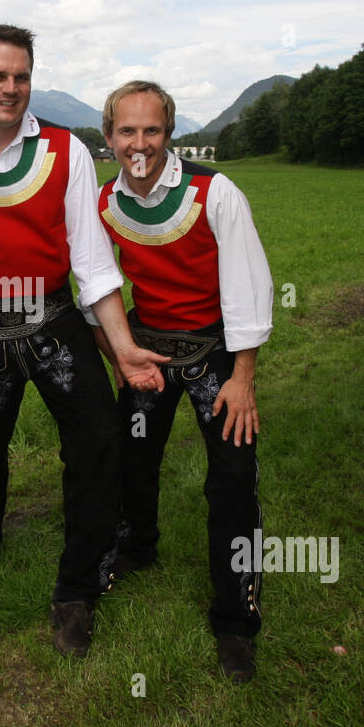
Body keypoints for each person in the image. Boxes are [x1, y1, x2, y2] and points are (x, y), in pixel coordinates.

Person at [0, 24, 168, 658]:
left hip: (57, 319)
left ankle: (78, 589)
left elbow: (91, 262)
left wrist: (120, 348)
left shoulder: (68, 151)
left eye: (21, 76)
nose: (10, 88)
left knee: (98, 443)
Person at [91, 80, 273, 684]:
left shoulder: (213, 192)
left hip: (217, 349)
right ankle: (138, 547)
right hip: (147, 350)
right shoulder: (103, 204)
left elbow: (248, 284)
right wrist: (118, 355)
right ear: (109, 137)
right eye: (126, 131)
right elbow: (99, 287)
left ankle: (235, 618)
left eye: (152, 130)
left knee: (232, 478)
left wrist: (243, 377)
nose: (139, 143)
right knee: (133, 459)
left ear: (169, 134)